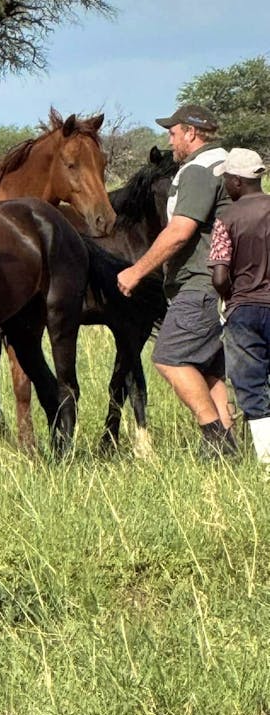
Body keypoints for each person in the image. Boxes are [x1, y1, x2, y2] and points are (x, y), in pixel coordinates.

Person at [116, 104, 235, 457]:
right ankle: (228, 443)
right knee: (209, 367)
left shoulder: (198, 170)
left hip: (198, 283)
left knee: (169, 357)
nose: (170, 140)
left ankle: (213, 434)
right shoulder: (226, 163)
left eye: (173, 132)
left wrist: (136, 271)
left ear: (191, 133)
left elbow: (181, 231)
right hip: (220, 284)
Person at [208, 148, 270, 463]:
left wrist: (231, 297)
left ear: (236, 181)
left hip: (243, 308)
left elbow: (219, 275)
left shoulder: (226, 219)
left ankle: (266, 461)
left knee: (251, 385)